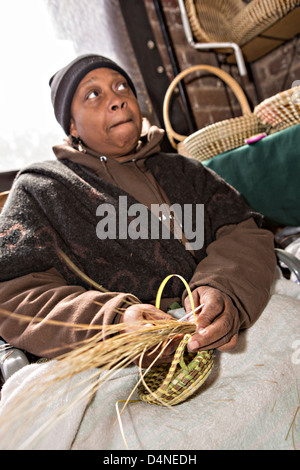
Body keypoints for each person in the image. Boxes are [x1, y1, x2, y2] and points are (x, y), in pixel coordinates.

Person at [0, 54, 276, 366]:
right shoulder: (43, 190)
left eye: (122, 87)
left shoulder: (185, 171)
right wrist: (115, 322)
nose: (117, 100)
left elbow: (242, 229)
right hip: (119, 368)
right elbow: (14, 293)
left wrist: (223, 287)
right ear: (72, 126)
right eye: (94, 94)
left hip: (215, 334)